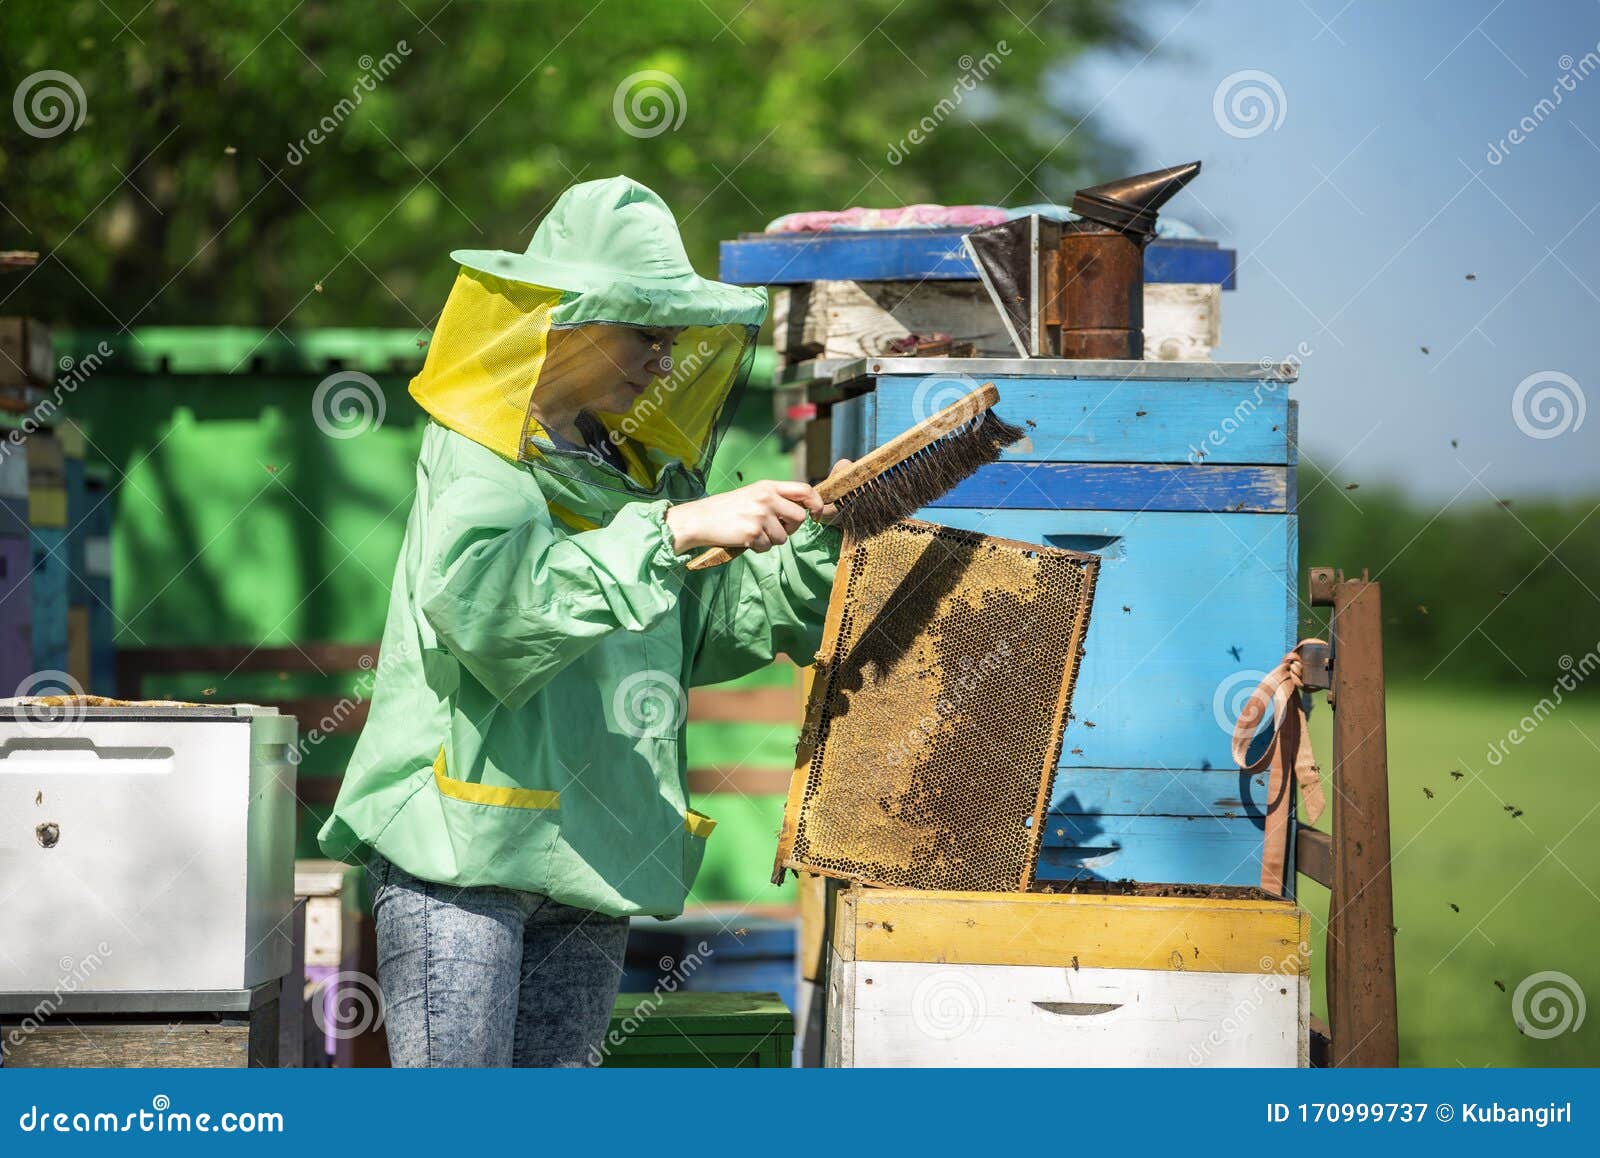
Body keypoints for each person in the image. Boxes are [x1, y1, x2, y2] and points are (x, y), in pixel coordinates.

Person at [318, 176, 845, 1067]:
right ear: (571, 320)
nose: (667, 360)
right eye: (647, 331)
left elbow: (694, 634)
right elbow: (488, 613)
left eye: (676, 337)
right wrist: (675, 529)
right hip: (465, 859)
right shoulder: (483, 445)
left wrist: (820, 548)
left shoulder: (635, 467)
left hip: (592, 855)